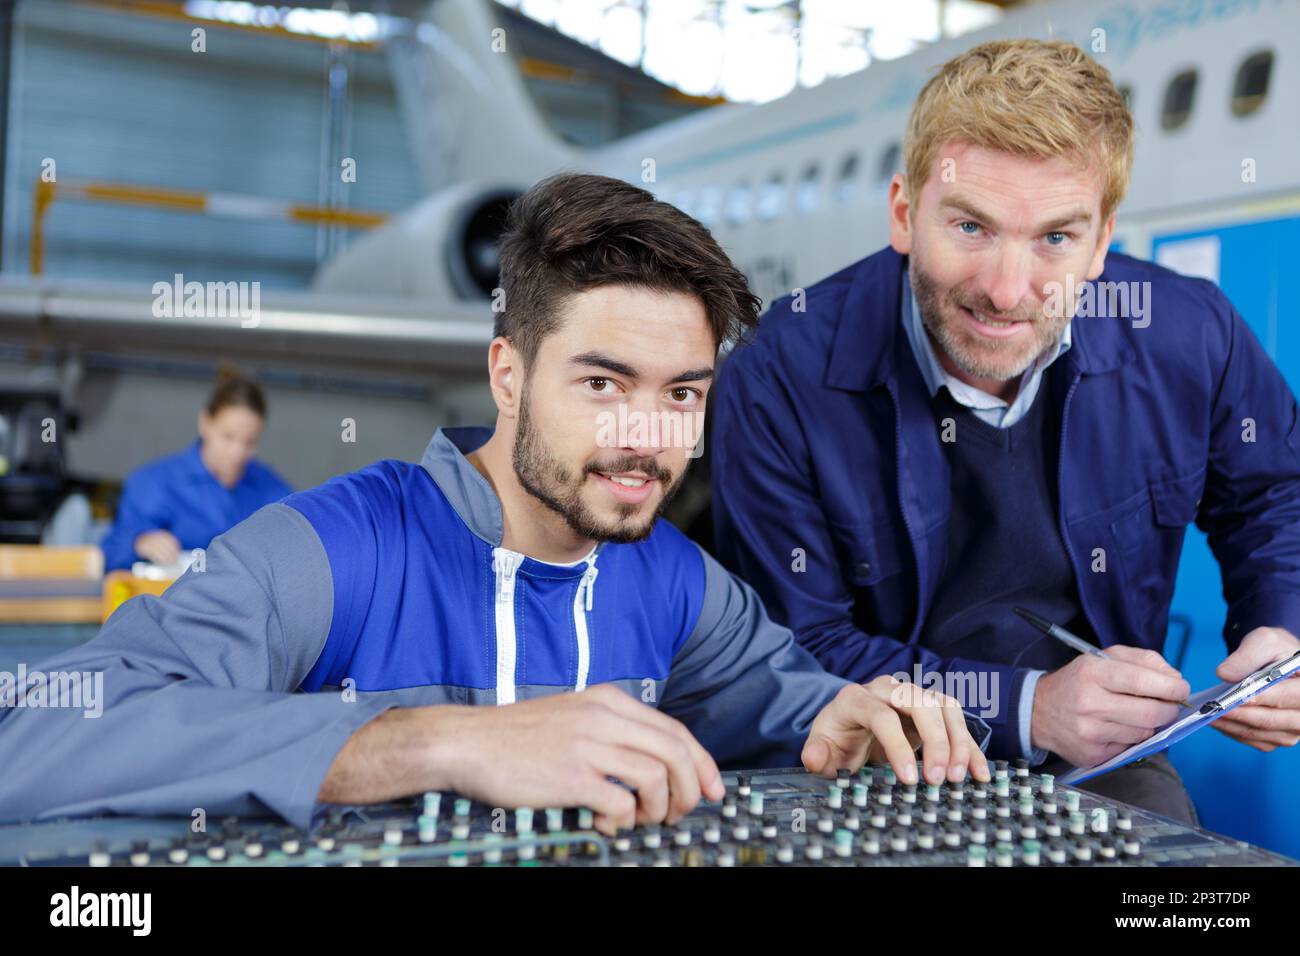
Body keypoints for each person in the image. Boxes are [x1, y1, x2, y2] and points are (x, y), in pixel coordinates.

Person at [0, 173, 989, 836]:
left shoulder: (680, 585)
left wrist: (862, 713)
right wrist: (432, 739)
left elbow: (798, 710)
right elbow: (30, 733)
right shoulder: (334, 552)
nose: (650, 440)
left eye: (681, 393)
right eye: (603, 384)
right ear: (506, 374)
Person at [710, 39, 1300, 824]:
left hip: (1097, 758)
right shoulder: (777, 374)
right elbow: (791, 644)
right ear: (902, 214)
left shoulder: (1193, 336)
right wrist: (1026, 707)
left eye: (1054, 238)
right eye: (970, 227)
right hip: (861, 751)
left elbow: (1274, 498)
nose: (1005, 289)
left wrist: (1278, 627)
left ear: (1100, 242)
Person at [98, 366, 293, 572]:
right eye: (228, 437)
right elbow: (108, 554)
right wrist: (139, 542)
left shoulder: (274, 492)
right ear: (205, 423)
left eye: (250, 442)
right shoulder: (155, 484)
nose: (237, 453)